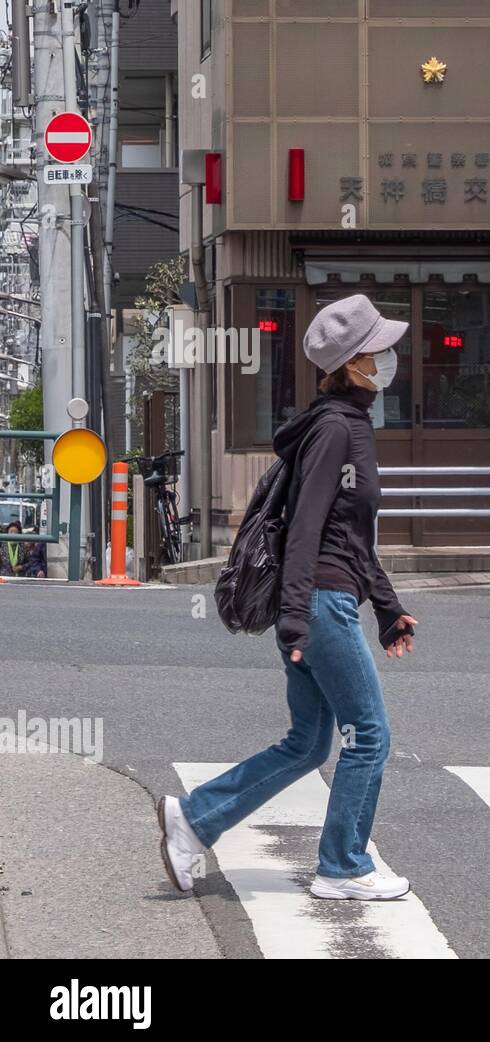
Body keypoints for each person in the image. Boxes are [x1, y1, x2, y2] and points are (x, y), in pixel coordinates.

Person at [157, 293, 420, 901]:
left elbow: (350, 536)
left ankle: (194, 820)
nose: (390, 357)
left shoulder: (344, 424)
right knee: (370, 735)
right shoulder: (334, 428)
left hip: (323, 601)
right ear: (353, 363)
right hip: (319, 606)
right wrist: (299, 619)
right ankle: (343, 866)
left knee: (307, 743)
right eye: (379, 349)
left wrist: (386, 609)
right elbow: (305, 529)